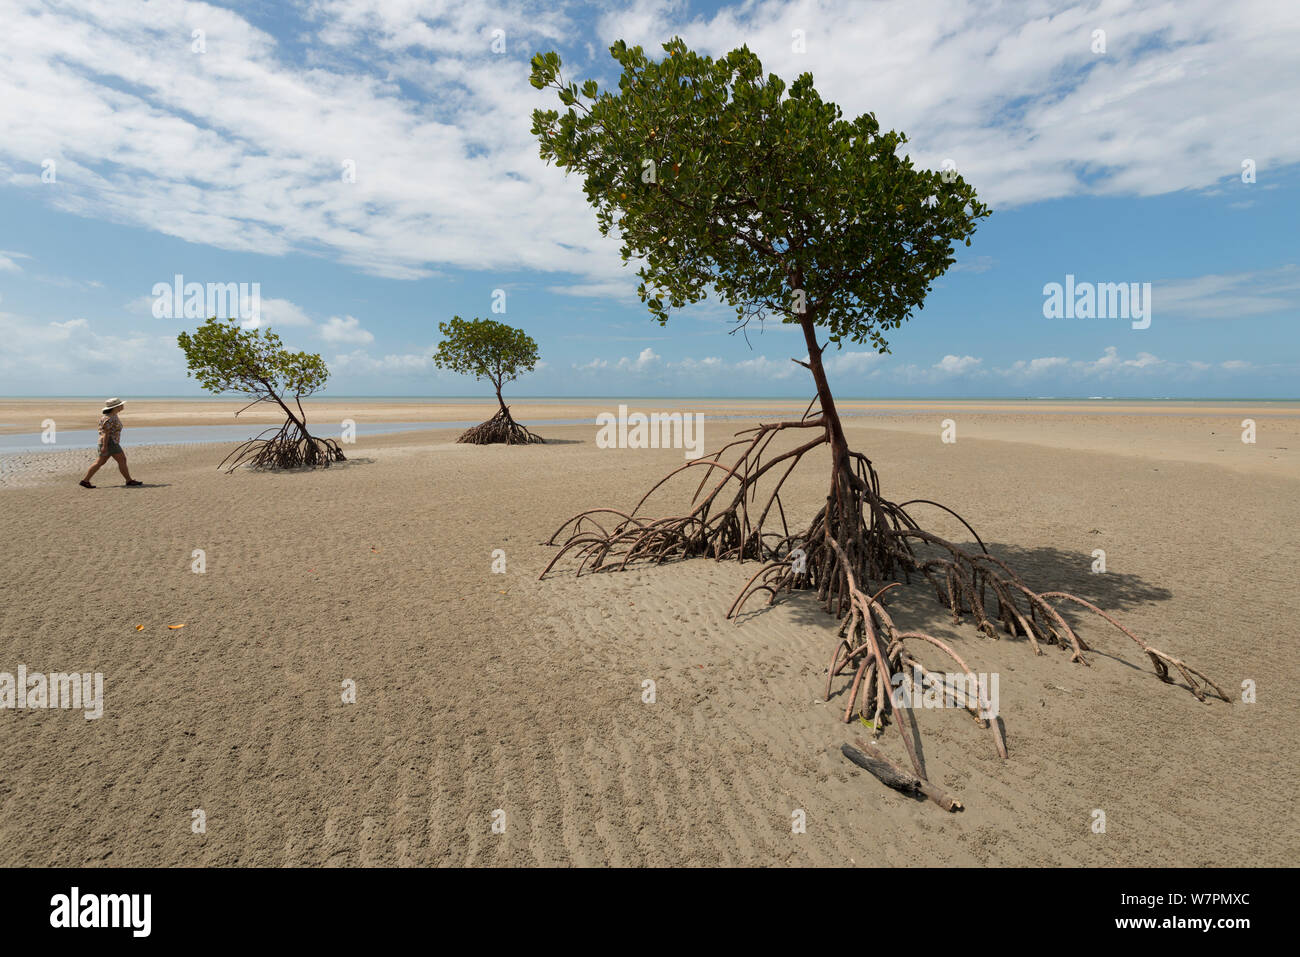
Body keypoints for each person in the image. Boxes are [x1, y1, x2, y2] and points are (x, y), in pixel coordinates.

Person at [80, 397, 143, 488]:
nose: (122, 406)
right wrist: (105, 446)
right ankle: (129, 480)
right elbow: (106, 433)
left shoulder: (113, 416)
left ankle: (85, 480)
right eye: (121, 405)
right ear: (116, 407)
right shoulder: (109, 418)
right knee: (121, 460)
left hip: (110, 442)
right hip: (110, 442)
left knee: (101, 462)